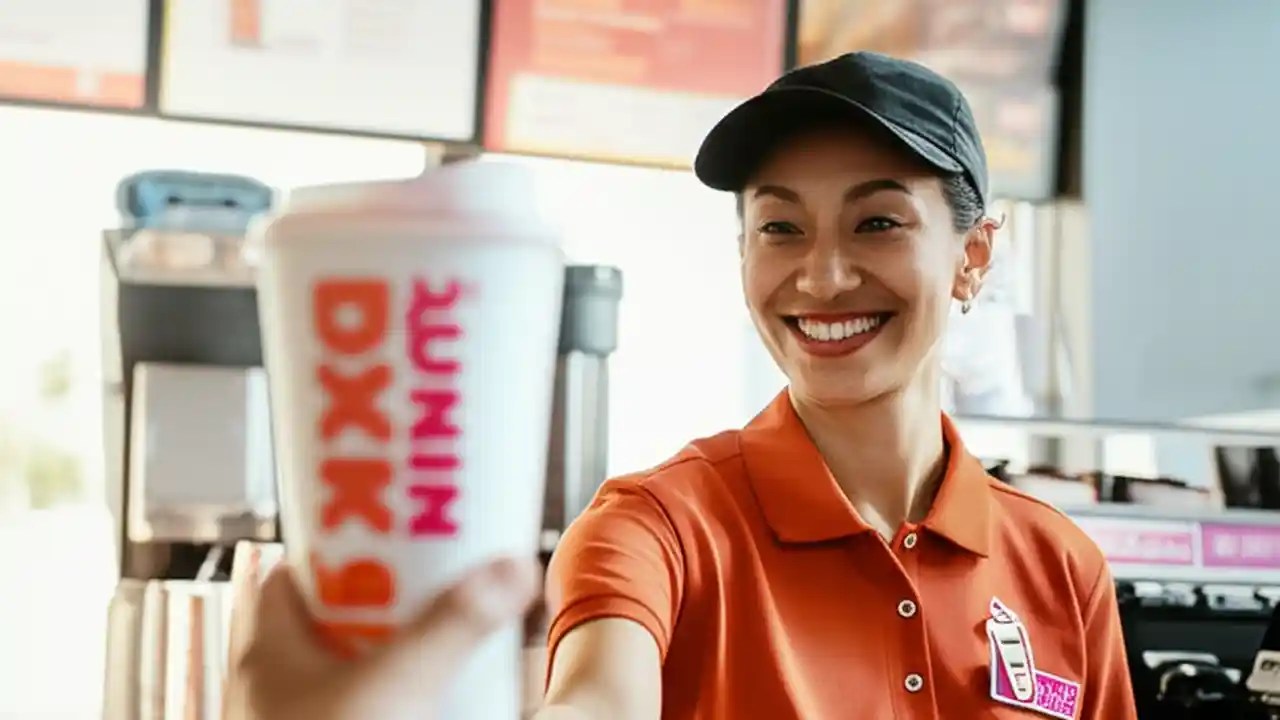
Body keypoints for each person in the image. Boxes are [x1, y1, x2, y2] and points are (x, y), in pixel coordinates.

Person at [240, 52, 1138, 719]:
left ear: (972, 257)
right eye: (780, 228)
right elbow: (597, 703)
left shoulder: (1062, 570)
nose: (822, 277)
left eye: (876, 222)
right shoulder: (652, 529)